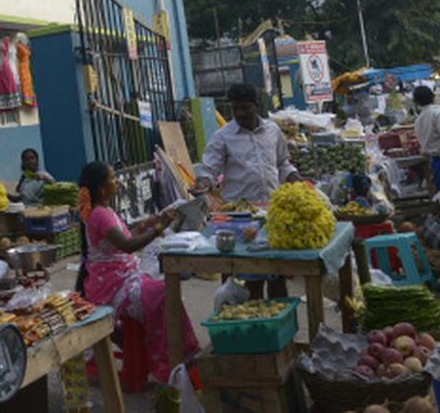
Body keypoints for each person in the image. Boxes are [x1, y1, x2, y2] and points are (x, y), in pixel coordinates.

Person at [79, 161, 200, 382]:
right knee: (162, 295)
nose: (117, 182)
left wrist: (147, 224)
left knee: (162, 290)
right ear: (101, 188)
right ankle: (173, 359)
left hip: (121, 274)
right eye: (113, 178)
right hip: (112, 285)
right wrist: (159, 228)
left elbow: (125, 238)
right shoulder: (99, 215)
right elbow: (128, 245)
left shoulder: (105, 211)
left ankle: (180, 355)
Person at [196, 83, 301, 299]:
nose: (240, 114)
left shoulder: (273, 131)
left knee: (276, 275)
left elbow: (283, 163)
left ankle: (278, 326)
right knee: (243, 278)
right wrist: (203, 183)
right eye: (235, 109)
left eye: (245, 108)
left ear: (256, 106)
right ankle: (246, 324)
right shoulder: (223, 136)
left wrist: (294, 177)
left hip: (272, 214)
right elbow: (209, 169)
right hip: (238, 219)